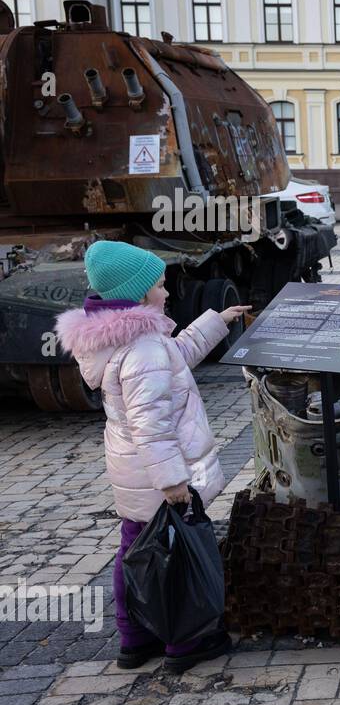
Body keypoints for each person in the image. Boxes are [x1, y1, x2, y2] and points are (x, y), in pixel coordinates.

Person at [55, 241, 250, 672]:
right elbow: (152, 424)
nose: (167, 292)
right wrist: (173, 482)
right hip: (160, 476)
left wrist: (215, 322)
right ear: (139, 294)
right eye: (160, 285)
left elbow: (174, 358)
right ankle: (187, 642)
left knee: (137, 551)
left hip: (133, 474)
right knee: (177, 554)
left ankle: (135, 639)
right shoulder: (143, 349)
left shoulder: (124, 341)